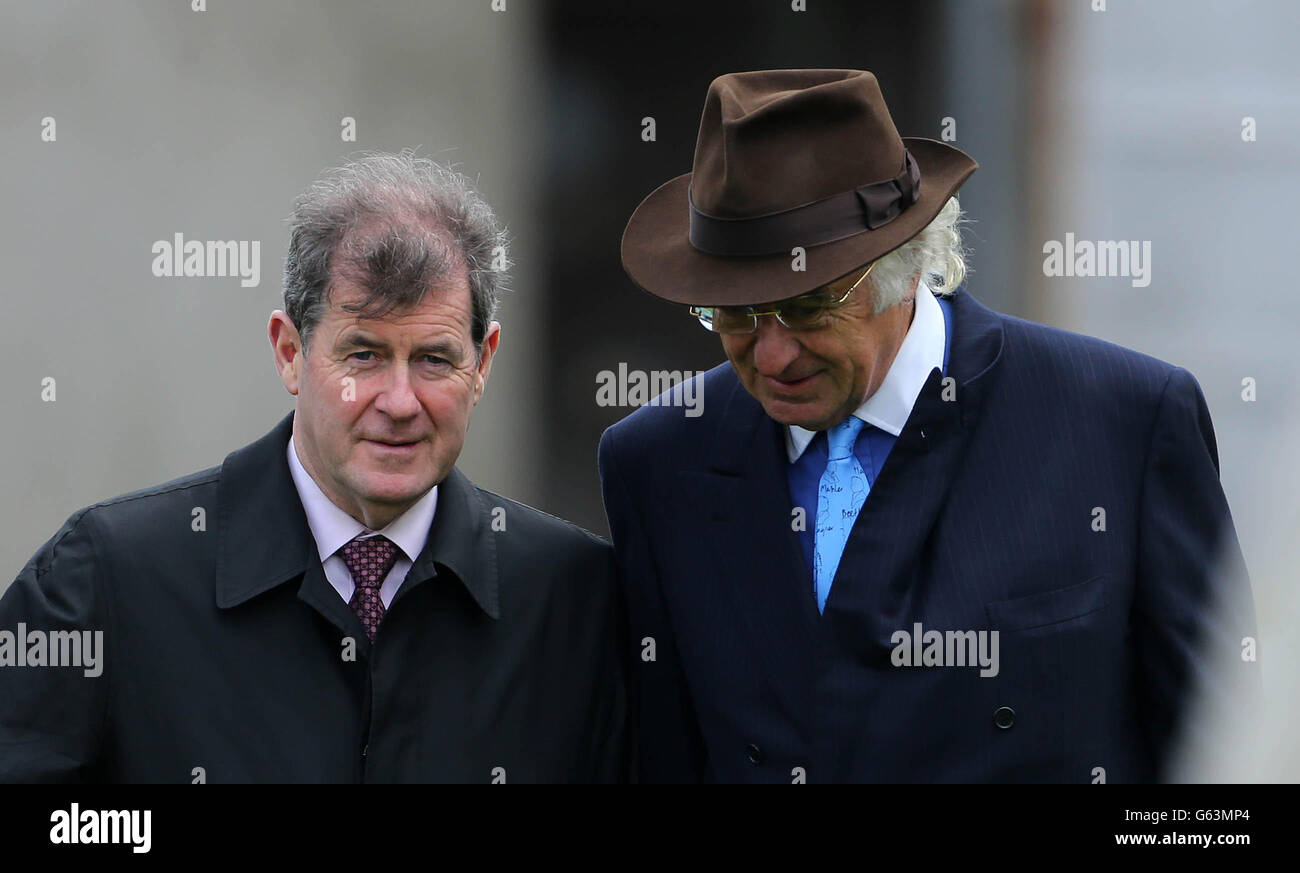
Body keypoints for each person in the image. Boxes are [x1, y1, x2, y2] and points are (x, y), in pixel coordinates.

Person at [599, 69, 1256, 782]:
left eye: (809, 306)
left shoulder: (1124, 421)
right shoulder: (657, 461)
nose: (772, 353)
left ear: (907, 267)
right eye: (732, 313)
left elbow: (1227, 778)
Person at [0, 151, 627, 783]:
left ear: (483, 362)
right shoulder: (109, 579)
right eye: (363, 354)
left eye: (435, 360)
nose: (400, 402)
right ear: (289, 352)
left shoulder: (575, 602)